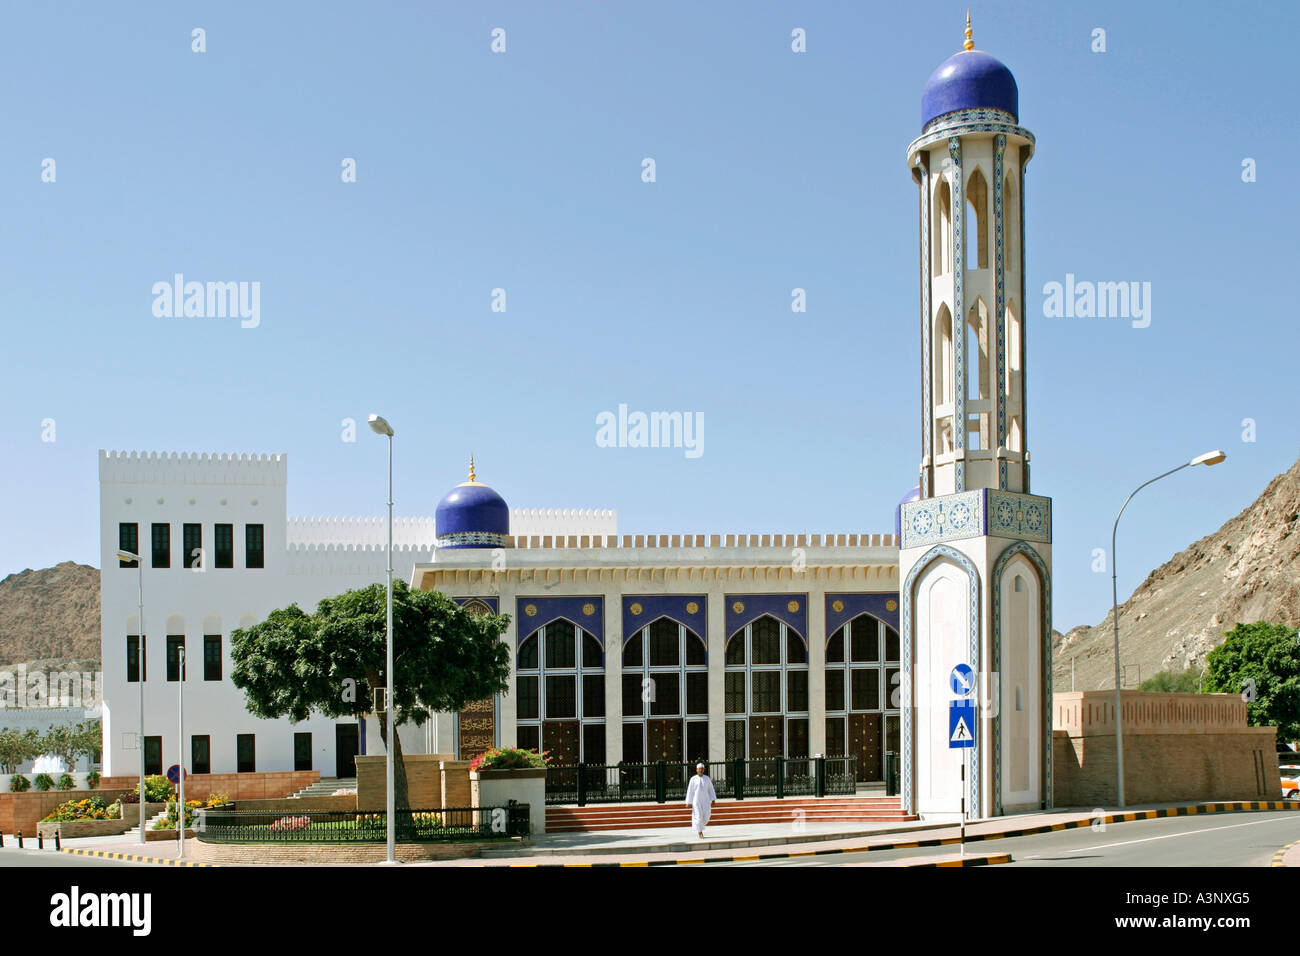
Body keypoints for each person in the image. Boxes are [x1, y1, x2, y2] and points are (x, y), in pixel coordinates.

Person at [684, 762, 716, 838]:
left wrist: (713, 799)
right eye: (699, 769)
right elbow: (690, 791)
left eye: (702, 769)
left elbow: (711, 789)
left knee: (706, 816)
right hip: (696, 801)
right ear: (696, 770)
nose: (700, 770)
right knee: (698, 817)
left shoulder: (707, 778)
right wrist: (688, 802)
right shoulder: (693, 779)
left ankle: (700, 827)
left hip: (705, 801)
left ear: (703, 770)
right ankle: (700, 832)